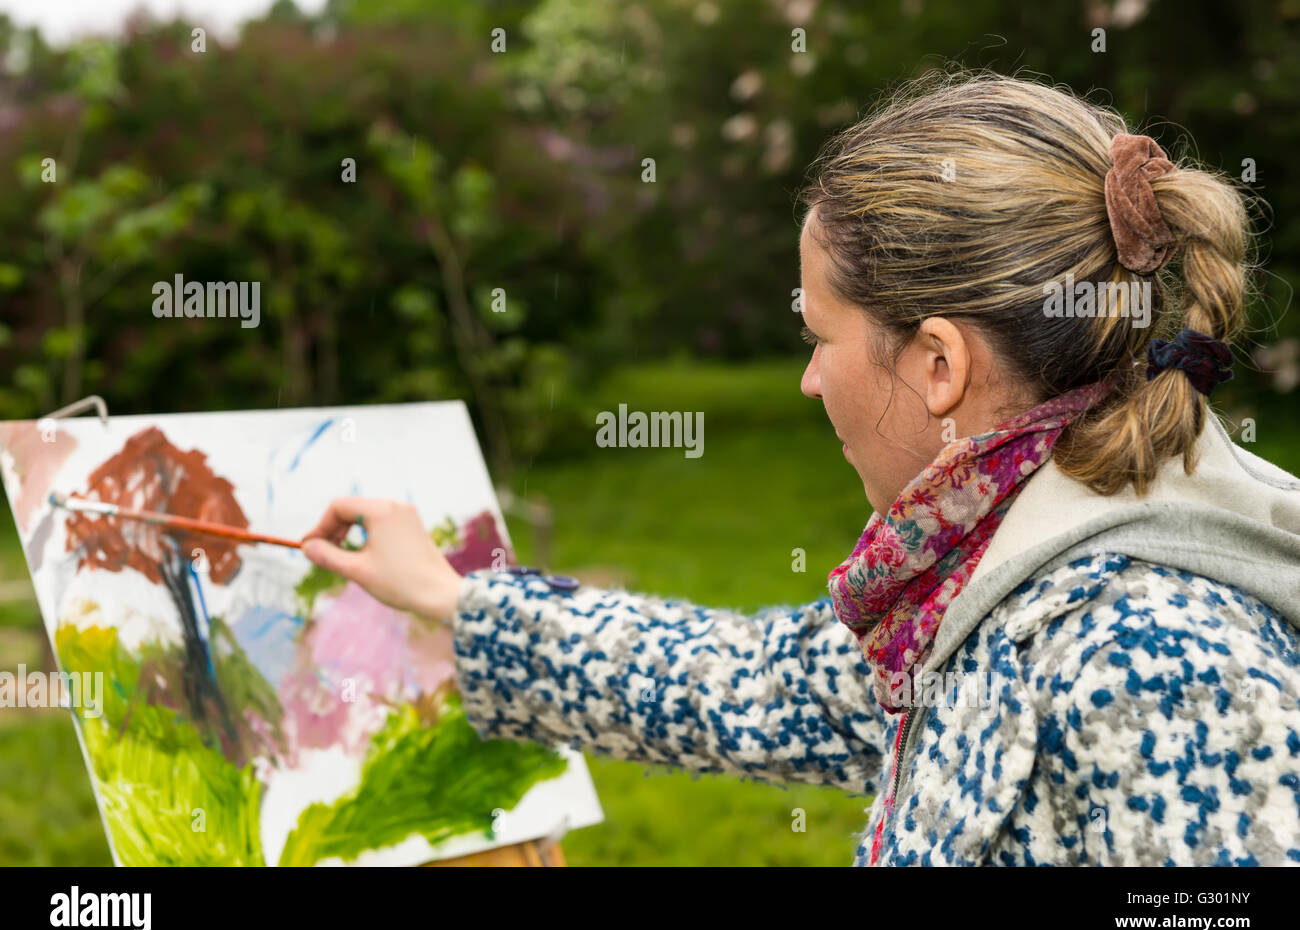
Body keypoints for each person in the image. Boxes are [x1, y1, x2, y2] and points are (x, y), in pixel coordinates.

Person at [301, 70, 1300, 866]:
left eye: (820, 334)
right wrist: (453, 597)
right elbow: (757, 684)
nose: (808, 380)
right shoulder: (992, 566)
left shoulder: (1155, 662)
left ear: (940, 364)